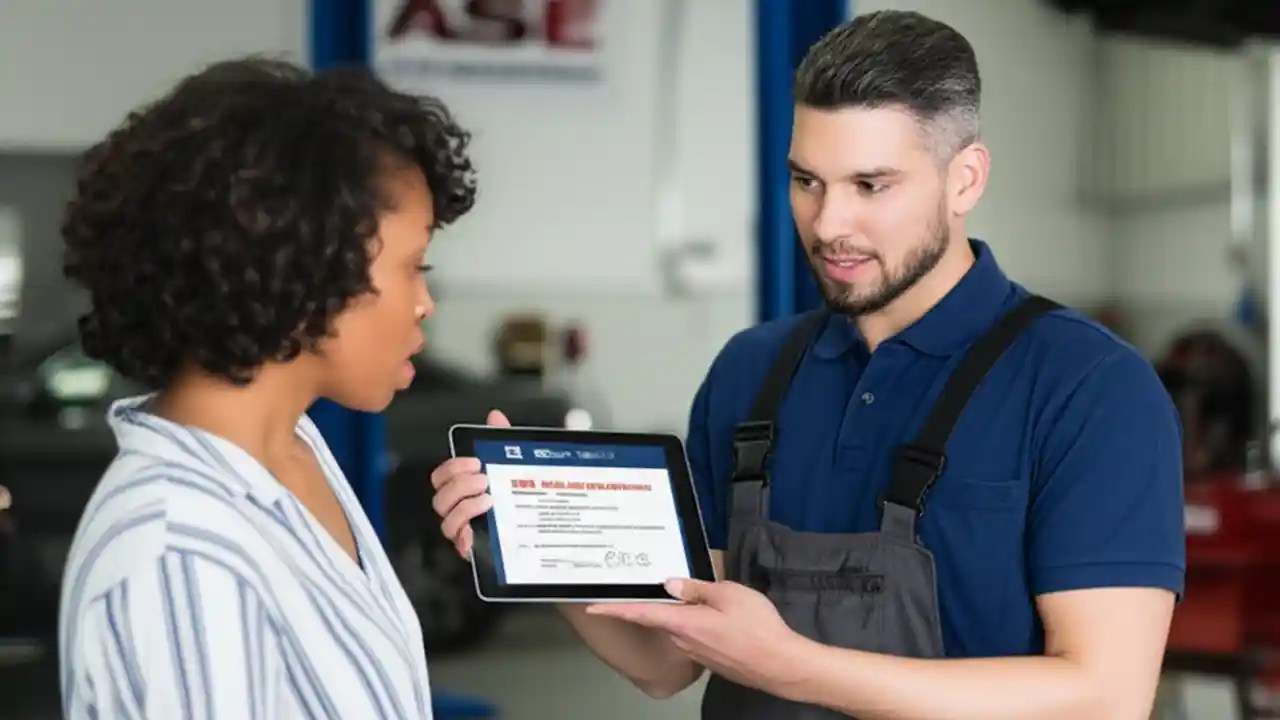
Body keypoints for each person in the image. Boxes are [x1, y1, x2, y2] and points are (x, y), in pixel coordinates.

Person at [432, 9, 1185, 720]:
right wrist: (536, 551)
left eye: (871, 185)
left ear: (966, 180)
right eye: (806, 181)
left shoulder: (1086, 386)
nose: (829, 225)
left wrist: (794, 666)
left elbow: (1105, 696)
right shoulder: (752, 371)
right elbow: (667, 662)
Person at [56, 56, 476, 719]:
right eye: (411, 266)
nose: (424, 302)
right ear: (308, 265)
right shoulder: (180, 555)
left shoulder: (290, 450)